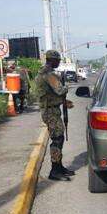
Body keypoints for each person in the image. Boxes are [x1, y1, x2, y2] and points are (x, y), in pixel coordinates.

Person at [33, 50, 75, 181]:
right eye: (58, 60)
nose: (59, 62)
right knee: (57, 139)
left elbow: (51, 94)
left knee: (59, 137)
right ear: (52, 60)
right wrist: (65, 86)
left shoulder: (44, 72)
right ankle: (55, 170)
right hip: (50, 111)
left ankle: (59, 167)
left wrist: (62, 101)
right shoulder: (49, 74)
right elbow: (60, 89)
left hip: (51, 109)